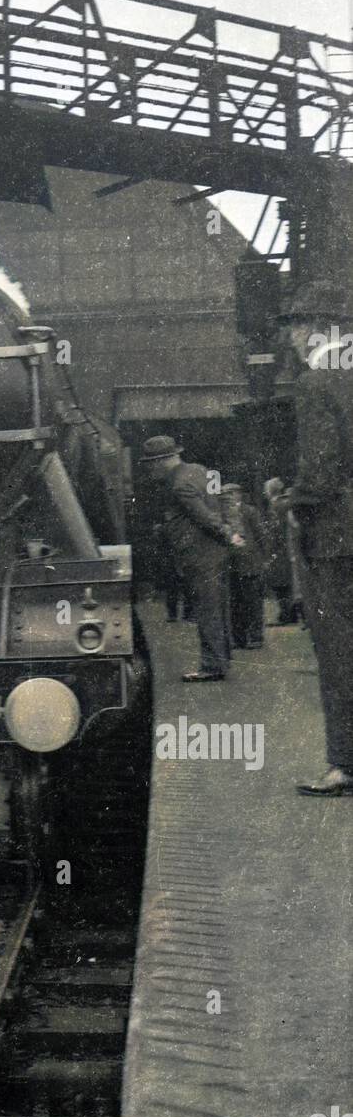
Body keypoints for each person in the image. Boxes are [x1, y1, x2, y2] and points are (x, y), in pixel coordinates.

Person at [272, 282, 353, 797]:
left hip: (337, 539)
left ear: (317, 329)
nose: (295, 340)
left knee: (339, 653)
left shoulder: (317, 383)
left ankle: (344, 764)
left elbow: (321, 475)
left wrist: (288, 497)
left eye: (298, 328)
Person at [140, 435, 241, 681]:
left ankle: (212, 667)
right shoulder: (200, 470)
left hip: (199, 556)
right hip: (216, 554)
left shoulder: (179, 485)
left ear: (162, 461)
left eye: (151, 464)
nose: (150, 470)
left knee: (207, 610)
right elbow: (223, 500)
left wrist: (228, 533)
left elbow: (204, 517)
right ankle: (221, 660)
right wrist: (234, 529)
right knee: (218, 608)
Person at [220, 484, 266, 648]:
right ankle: (238, 638)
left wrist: (260, 558)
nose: (226, 497)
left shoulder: (250, 511)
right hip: (232, 564)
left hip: (250, 563)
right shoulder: (222, 514)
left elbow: (261, 535)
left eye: (228, 494)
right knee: (235, 603)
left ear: (238, 494)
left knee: (253, 602)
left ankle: (255, 638)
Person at [263, 477, 303, 625]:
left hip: (280, 549)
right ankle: (290, 614)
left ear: (270, 491)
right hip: (289, 548)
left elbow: (275, 531)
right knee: (288, 582)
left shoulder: (275, 505)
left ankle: (286, 615)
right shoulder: (286, 503)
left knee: (281, 583)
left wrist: (269, 551)